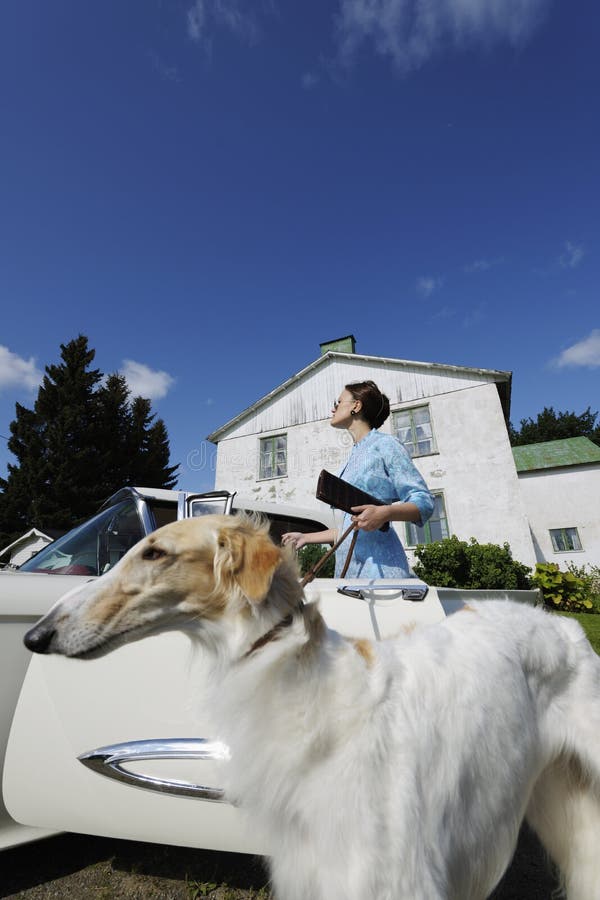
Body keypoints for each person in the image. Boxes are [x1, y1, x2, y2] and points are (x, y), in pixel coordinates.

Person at [282, 380, 435, 579]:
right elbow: (352, 525)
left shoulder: (386, 445)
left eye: (338, 402)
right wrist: (306, 537)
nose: (333, 408)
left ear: (356, 405)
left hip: (380, 574)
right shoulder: (353, 454)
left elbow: (424, 502)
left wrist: (384, 513)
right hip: (349, 573)